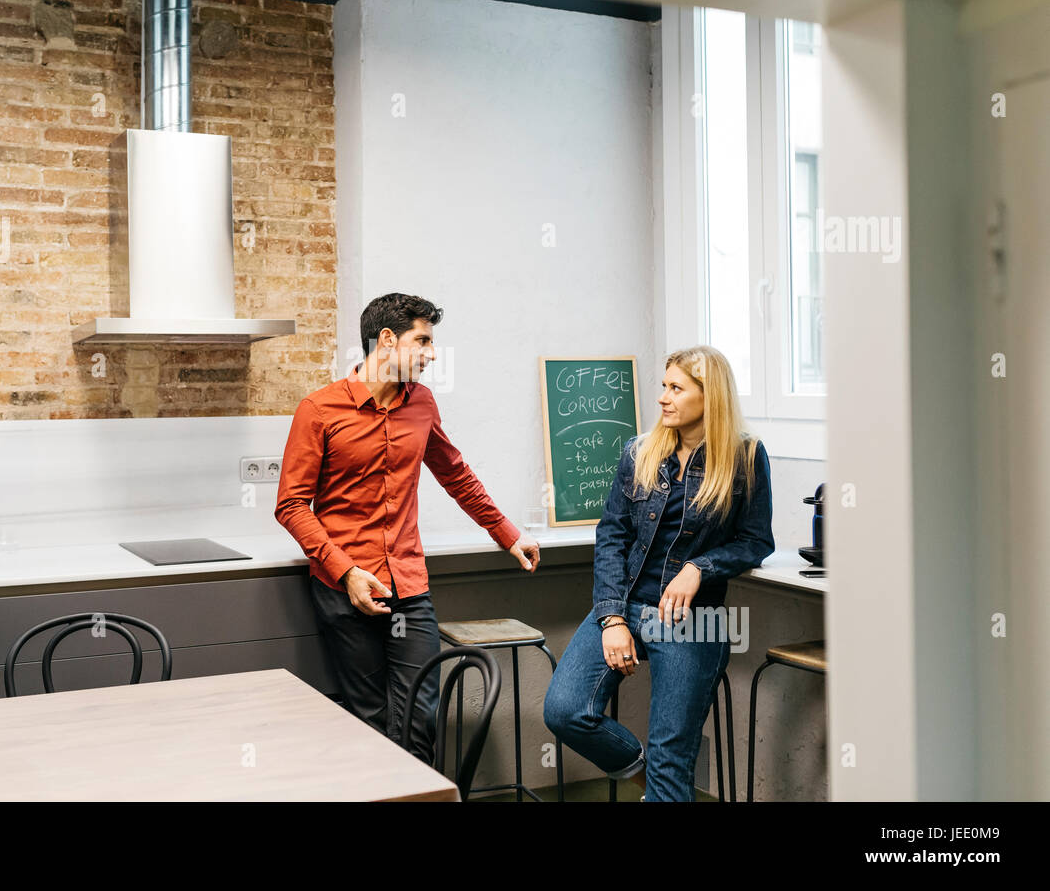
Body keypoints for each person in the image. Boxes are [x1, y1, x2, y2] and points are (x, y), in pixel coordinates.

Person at [275, 292, 540, 764]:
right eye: (423, 341)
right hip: (345, 588)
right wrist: (346, 572)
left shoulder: (421, 403)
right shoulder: (319, 410)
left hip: (408, 583)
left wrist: (507, 533)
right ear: (387, 340)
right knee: (370, 718)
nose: (431, 354)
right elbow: (292, 505)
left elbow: (454, 472)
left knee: (421, 715)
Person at [543, 345, 774, 801]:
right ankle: (647, 777)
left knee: (672, 754)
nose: (663, 398)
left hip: (693, 619)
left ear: (711, 398)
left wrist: (699, 568)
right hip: (626, 605)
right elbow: (611, 536)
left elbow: (756, 541)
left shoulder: (746, 457)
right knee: (565, 710)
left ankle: (666, 783)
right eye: (663, 386)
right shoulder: (639, 452)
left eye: (676, 388)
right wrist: (612, 619)